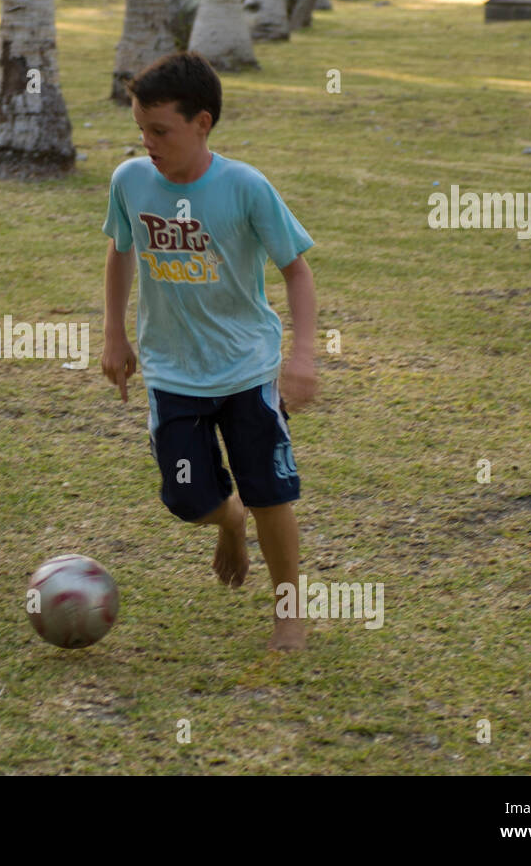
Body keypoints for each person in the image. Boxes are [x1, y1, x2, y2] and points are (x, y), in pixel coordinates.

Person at [100, 52, 319, 651]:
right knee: (189, 499)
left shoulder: (245, 187)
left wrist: (302, 355)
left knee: (271, 494)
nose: (147, 142)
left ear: (203, 123)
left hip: (247, 368)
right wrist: (114, 334)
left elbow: (296, 271)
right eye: (141, 129)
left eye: (160, 130)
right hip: (173, 372)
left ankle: (288, 614)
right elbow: (121, 250)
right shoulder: (131, 181)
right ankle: (228, 520)